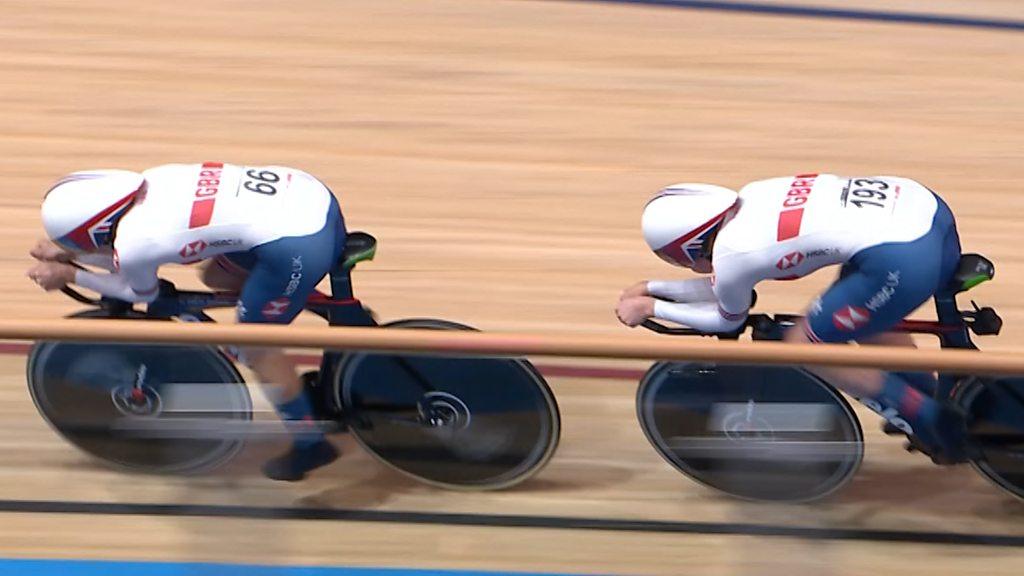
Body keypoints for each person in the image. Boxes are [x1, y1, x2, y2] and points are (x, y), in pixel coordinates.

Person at [616, 173, 969, 463]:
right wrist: (651, 287)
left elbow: (727, 319)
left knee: (803, 347)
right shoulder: (752, 196)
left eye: (679, 259)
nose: (687, 266)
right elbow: (721, 283)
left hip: (900, 257)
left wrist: (652, 308)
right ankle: (923, 397)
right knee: (863, 315)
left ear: (690, 245)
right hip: (926, 211)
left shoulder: (733, 251)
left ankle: (929, 416)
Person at [27, 162, 346, 481]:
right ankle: (328, 312)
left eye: (78, 241)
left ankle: (311, 444)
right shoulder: (154, 179)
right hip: (310, 200)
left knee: (256, 349)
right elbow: (123, 255)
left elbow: (140, 291)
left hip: (298, 244)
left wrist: (71, 273)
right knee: (215, 274)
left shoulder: (139, 241)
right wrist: (72, 254)